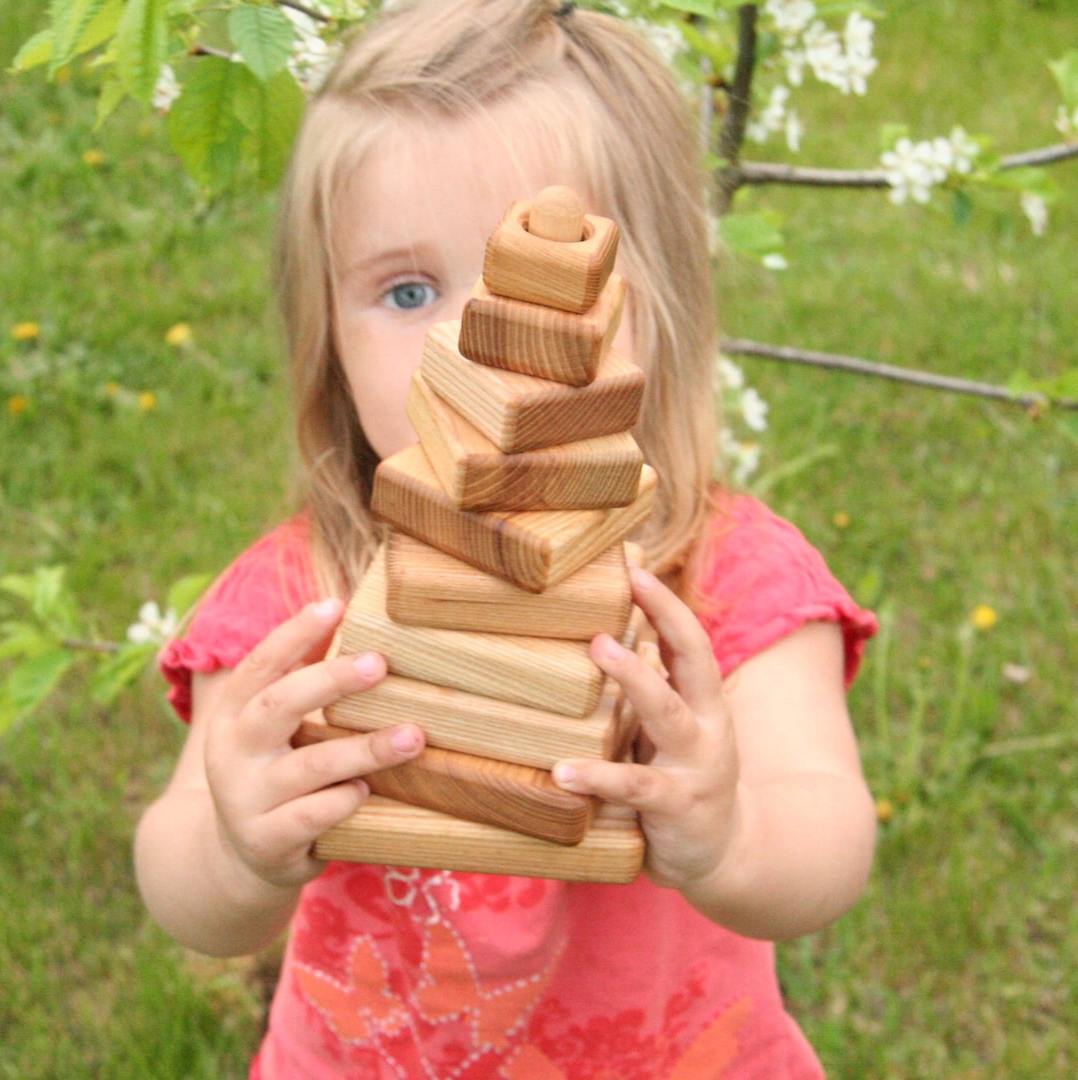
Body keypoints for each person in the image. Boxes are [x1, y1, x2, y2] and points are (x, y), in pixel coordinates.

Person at [135, 1, 879, 1076]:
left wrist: (732, 835)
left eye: (533, 293)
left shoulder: (724, 586)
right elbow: (185, 886)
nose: (474, 352)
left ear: (653, 308)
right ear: (327, 338)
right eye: (407, 290)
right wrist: (236, 844)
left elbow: (830, 839)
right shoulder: (298, 601)